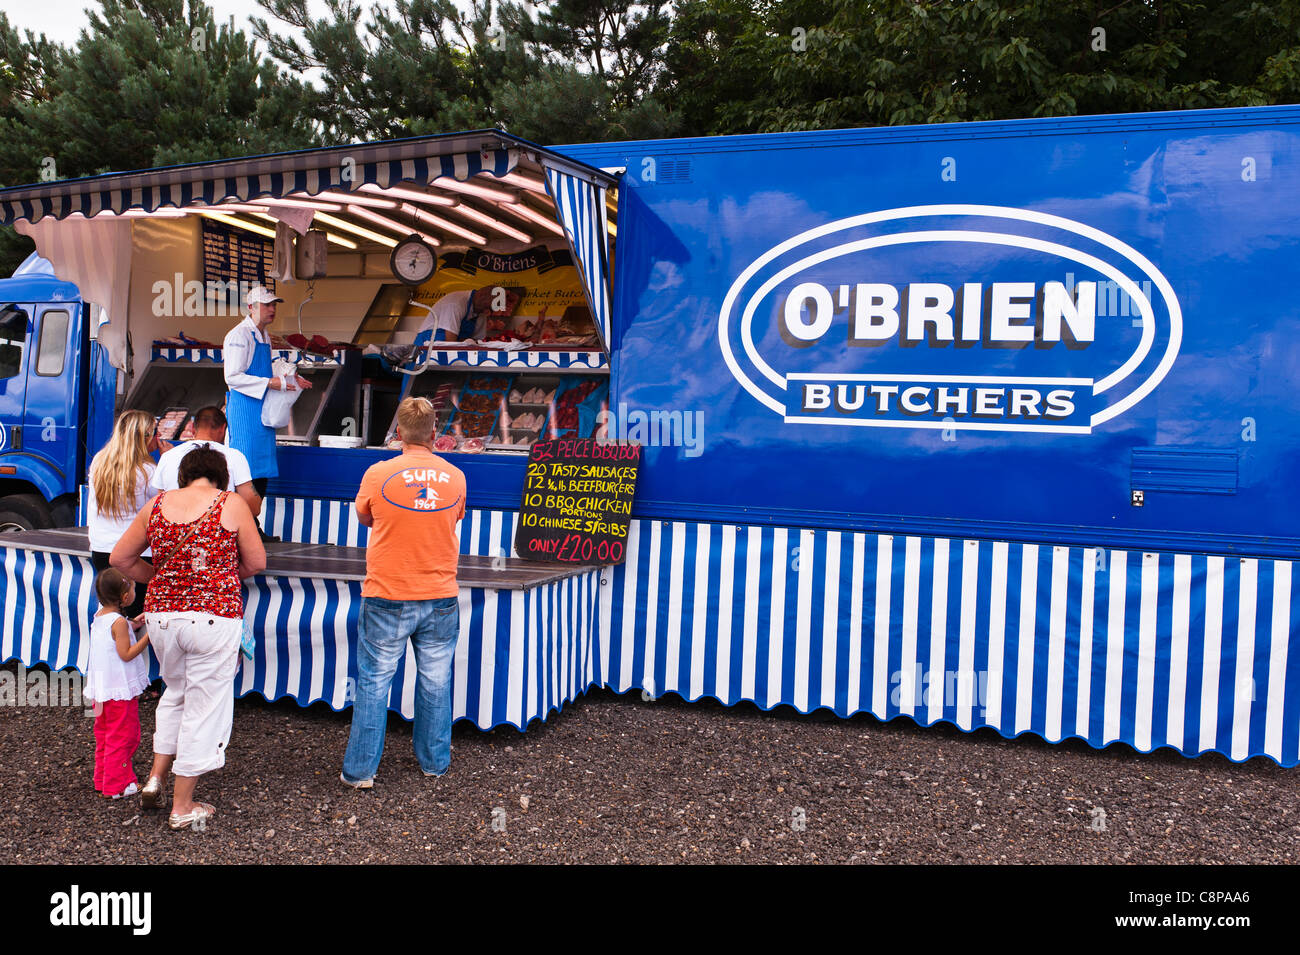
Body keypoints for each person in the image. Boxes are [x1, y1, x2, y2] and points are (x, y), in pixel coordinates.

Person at [110, 445, 266, 830]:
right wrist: (217, 579)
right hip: (213, 618)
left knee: (174, 694)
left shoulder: (157, 504)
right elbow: (257, 562)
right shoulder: (230, 503)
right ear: (221, 476)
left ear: (183, 474)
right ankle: (182, 807)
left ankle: (155, 779)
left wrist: (163, 579)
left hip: (162, 619)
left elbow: (119, 559)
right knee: (204, 707)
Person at [341, 396, 466, 788]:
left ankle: (361, 771)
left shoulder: (378, 473)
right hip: (440, 594)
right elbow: (455, 515)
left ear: (398, 434)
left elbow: (365, 516)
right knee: (435, 681)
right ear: (434, 434)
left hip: (386, 593)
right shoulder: (456, 475)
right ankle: (434, 763)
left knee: (374, 682)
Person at [222, 285, 310, 532]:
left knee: (261, 470)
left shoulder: (264, 336)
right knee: (244, 471)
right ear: (251, 308)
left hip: (262, 413)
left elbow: (269, 369)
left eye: (274, 305)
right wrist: (271, 382)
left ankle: (253, 525)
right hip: (244, 412)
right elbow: (233, 377)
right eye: (267, 305)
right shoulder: (238, 335)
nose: (272, 310)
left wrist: (291, 379)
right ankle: (239, 527)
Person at [87, 409, 164, 618]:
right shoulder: (149, 471)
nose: (158, 437)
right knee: (136, 616)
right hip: (137, 553)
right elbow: (167, 505)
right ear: (144, 437)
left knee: (112, 613)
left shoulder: (99, 462)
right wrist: (168, 460)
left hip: (102, 549)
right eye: (154, 432)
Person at [85, 567, 151, 800]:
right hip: (118, 692)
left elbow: (115, 633)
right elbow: (126, 653)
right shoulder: (119, 623)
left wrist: (135, 623)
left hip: (101, 691)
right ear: (125, 597)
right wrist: (148, 637)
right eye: (133, 588)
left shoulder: (101, 615)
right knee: (123, 737)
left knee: (104, 735)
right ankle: (118, 786)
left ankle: (102, 779)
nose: (135, 591)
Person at [151, 406, 261, 516]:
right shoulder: (234, 456)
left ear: (193, 429)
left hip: (176, 528)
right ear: (223, 429)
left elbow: (159, 504)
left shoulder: (168, 456)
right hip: (219, 528)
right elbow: (253, 508)